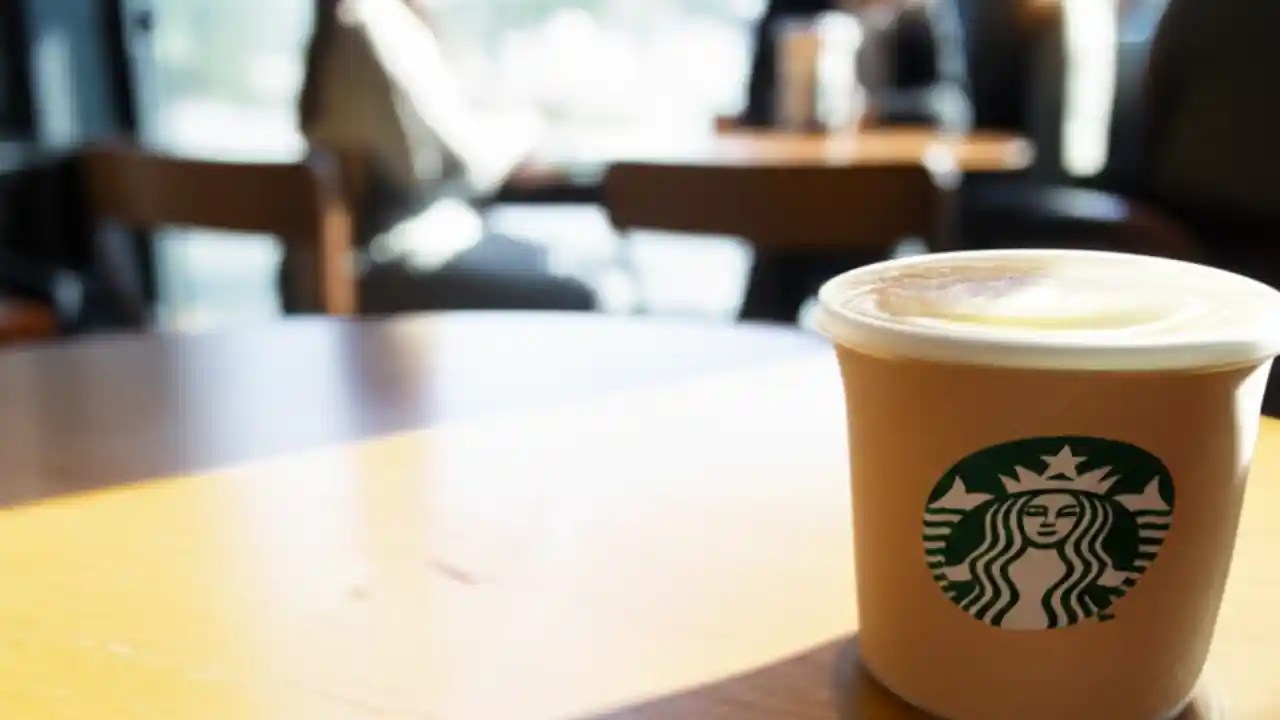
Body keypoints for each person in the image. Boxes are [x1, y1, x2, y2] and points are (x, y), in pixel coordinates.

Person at [298, 0, 597, 314]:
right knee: (579, 287)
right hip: (394, 256)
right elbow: (460, 157)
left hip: (369, 255)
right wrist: (527, 132)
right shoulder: (375, 23)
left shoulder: (351, 26)